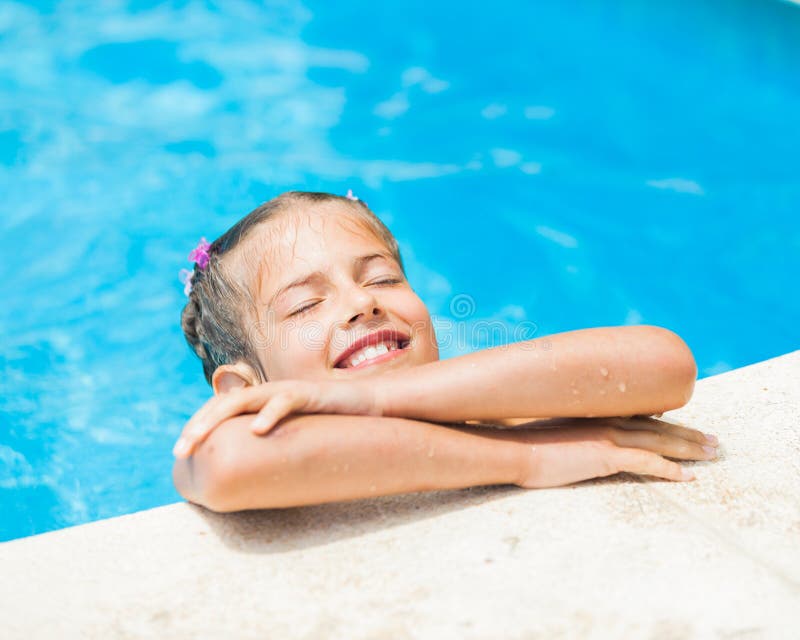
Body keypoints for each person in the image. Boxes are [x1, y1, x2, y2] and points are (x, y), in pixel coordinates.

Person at [172, 190, 717, 512]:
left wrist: (372, 399)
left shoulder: (490, 405)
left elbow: (664, 363)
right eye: (305, 306)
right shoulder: (263, 441)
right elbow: (224, 461)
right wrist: (527, 458)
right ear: (244, 391)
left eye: (382, 278)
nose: (362, 303)